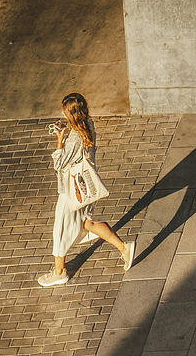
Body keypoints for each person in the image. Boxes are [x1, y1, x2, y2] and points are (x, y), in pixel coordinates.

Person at [37, 92, 134, 287]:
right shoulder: (88, 125)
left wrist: (59, 139)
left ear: (72, 114)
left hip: (71, 190)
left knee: (60, 229)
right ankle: (124, 248)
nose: (63, 116)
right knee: (87, 224)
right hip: (86, 186)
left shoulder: (73, 138)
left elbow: (59, 162)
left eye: (65, 113)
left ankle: (59, 272)